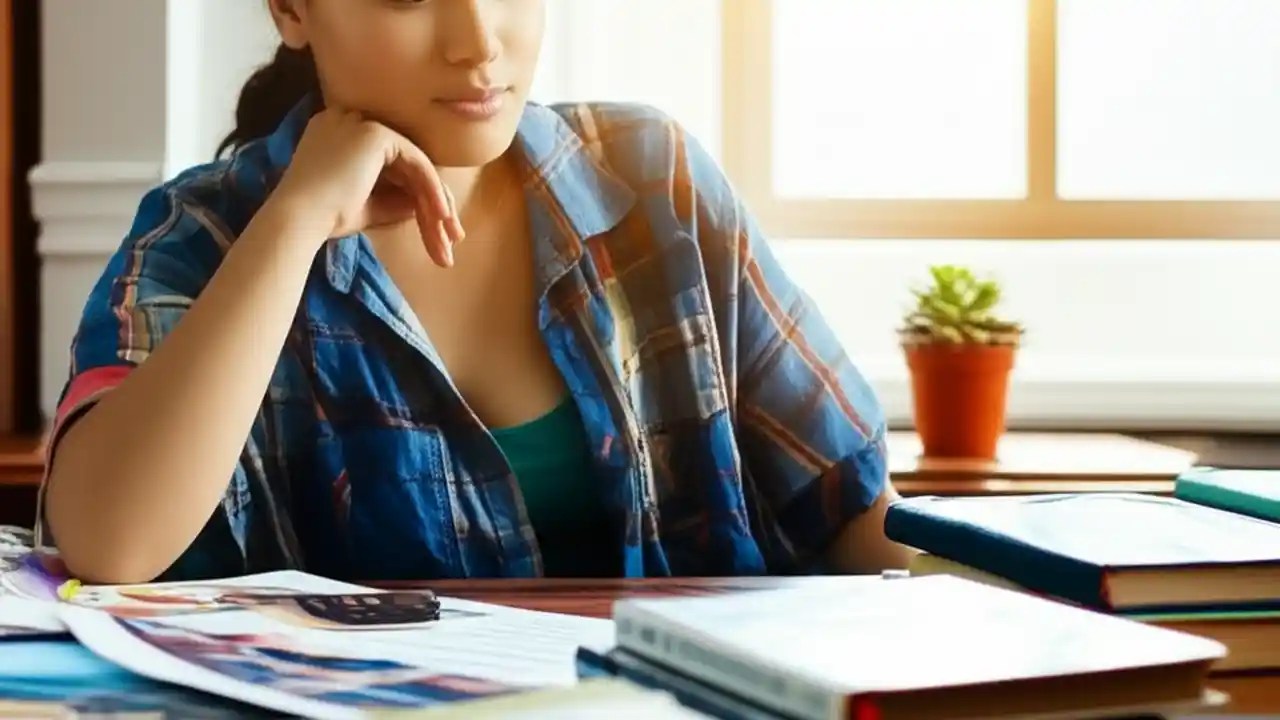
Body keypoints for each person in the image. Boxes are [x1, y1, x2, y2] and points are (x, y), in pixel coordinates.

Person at [38, 0, 913, 584]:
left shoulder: (653, 179)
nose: (479, 41)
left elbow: (851, 508)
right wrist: (296, 218)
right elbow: (112, 542)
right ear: (292, 9)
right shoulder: (203, 237)